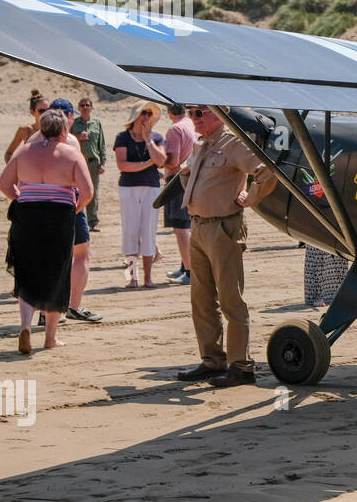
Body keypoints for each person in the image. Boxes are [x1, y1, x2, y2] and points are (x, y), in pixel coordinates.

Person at [174, 106, 279, 387]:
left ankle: (241, 366)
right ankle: (212, 360)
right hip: (198, 226)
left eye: (200, 112)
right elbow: (187, 174)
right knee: (201, 298)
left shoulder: (232, 142)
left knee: (231, 298)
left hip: (223, 228)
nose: (194, 118)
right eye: (190, 113)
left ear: (219, 114)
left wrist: (251, 197)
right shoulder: (200, 144)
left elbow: (266, 171)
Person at [0, 108, 93, 353]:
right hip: (58, 216)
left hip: (27, 216)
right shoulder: (71, 154)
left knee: (28, 272)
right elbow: (88, 192)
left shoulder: (24, 151)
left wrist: (20, 199)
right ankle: (50, 338)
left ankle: (24, 326)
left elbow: (3, 184)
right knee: (57, 274)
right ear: (64, 130)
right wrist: (75, 208)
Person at [46, 99, 102, 322]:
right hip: (69, 202)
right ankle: (72, 306)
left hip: (42, 203)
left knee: (50, 258)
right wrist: (79, 207)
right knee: (79, 255)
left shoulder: (36, 139)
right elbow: (84, 184)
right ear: (67, 116)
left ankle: (47, 310)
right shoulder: (69, 140)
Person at [114, 101, 167, 288]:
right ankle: (132, 278)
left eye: (149, 114)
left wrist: (147, 140)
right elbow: (122, 165)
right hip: (128, 188)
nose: (146, 117)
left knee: (148, 231)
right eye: (143, 113)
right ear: (135, 116)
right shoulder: (122, 137)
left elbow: (160, 161)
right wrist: (146, 164)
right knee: (130, 231)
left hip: (151, 187)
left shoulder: (157, 138)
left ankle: (147, 278)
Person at [161, 104, 197, 286]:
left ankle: (190, 271)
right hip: (189, 179)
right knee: (185, 226)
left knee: (181, 228)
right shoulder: (190, 124)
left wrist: (159, 162)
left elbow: (172, 160)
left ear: (169, 112)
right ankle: (185, 267)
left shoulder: (175, 129)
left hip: (177, 180)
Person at [70, 97, 106, 231]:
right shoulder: (74, 123)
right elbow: (67, 138)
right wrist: (78, 137)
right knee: (76, 191)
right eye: (82, 105)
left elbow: (101, 144)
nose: (85, 107)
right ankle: (77, 218)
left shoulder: (96, 123)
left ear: (91, 107)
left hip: (92, 162)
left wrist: (102, 163)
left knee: (93, 192)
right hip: (77, 162)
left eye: (87, 105)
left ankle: (93, 221)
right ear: (78, 108)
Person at [4, 90, 47, 163]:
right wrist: (14, 170)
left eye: (48, 110)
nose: (46, 113)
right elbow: (8, 154)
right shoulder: (25, 130)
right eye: (41, 111)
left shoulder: (55, 130)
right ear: (32, 112)